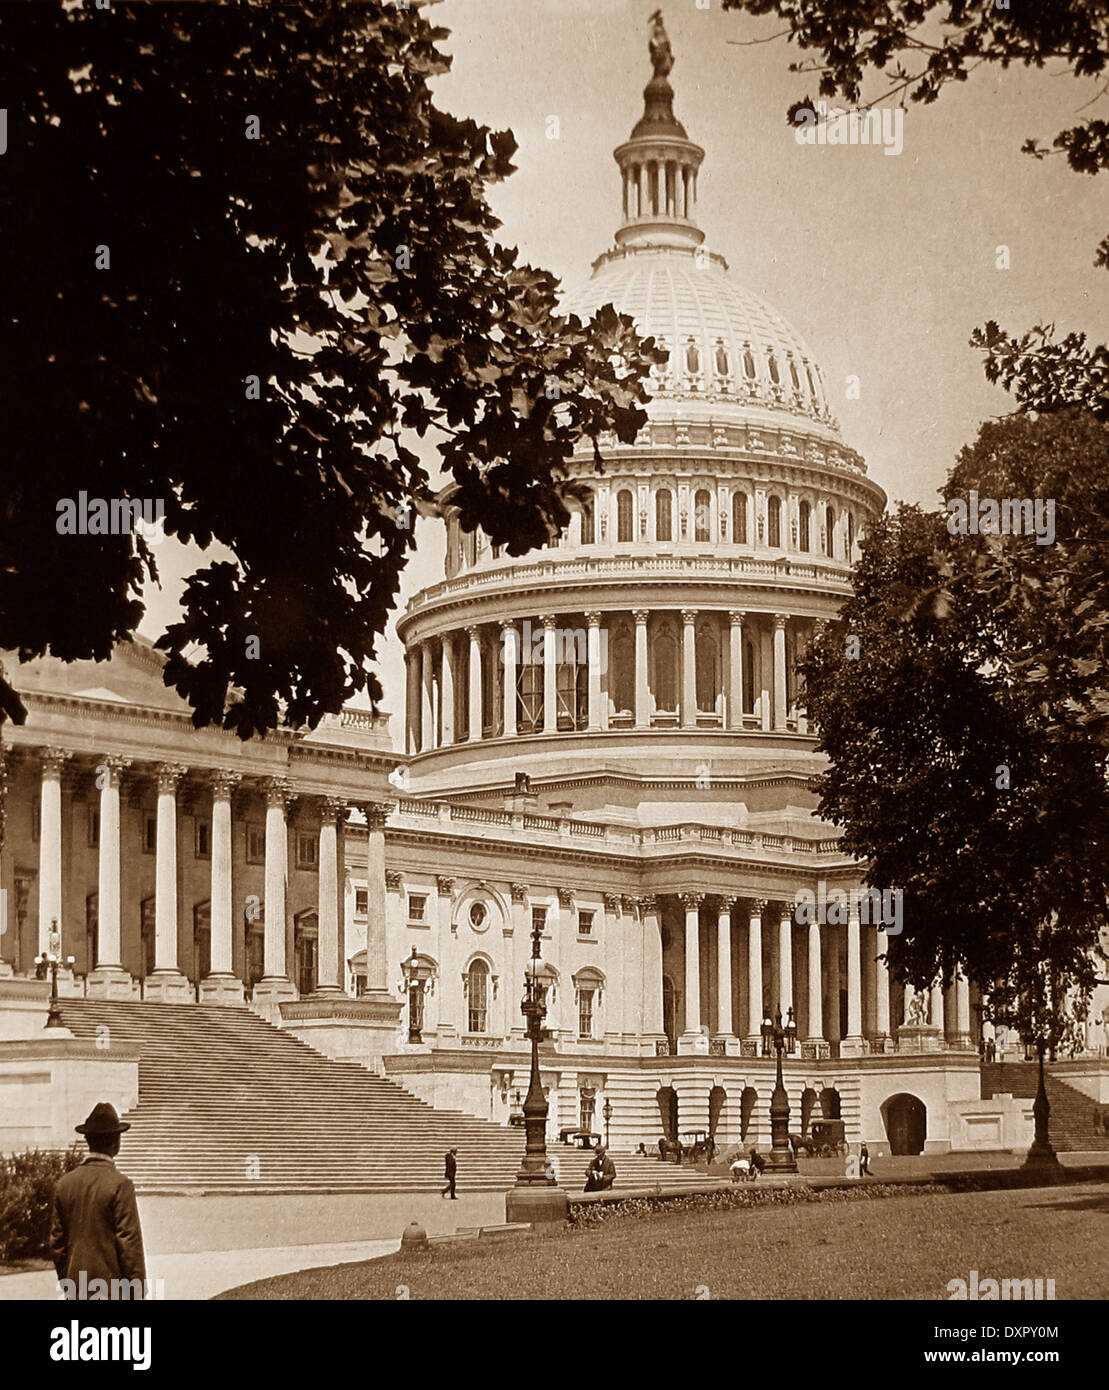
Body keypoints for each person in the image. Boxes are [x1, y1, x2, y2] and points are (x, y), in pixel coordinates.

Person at [49, 1102, 146, 1301]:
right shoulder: (121, 1185)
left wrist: (70, 1285)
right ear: (116, 1142)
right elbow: (129, 1246)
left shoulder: (64, 1184)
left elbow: (57, 1246)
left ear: (87, 1140)